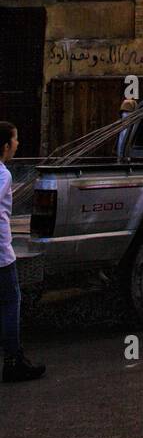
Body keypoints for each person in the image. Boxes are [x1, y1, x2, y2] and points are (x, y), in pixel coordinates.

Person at [0, 122, 46, 384]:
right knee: (10, 303)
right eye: (15, 140)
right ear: (6, 146)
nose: (18, 144)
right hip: (1, 253)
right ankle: (13, 361)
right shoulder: (4, 175)